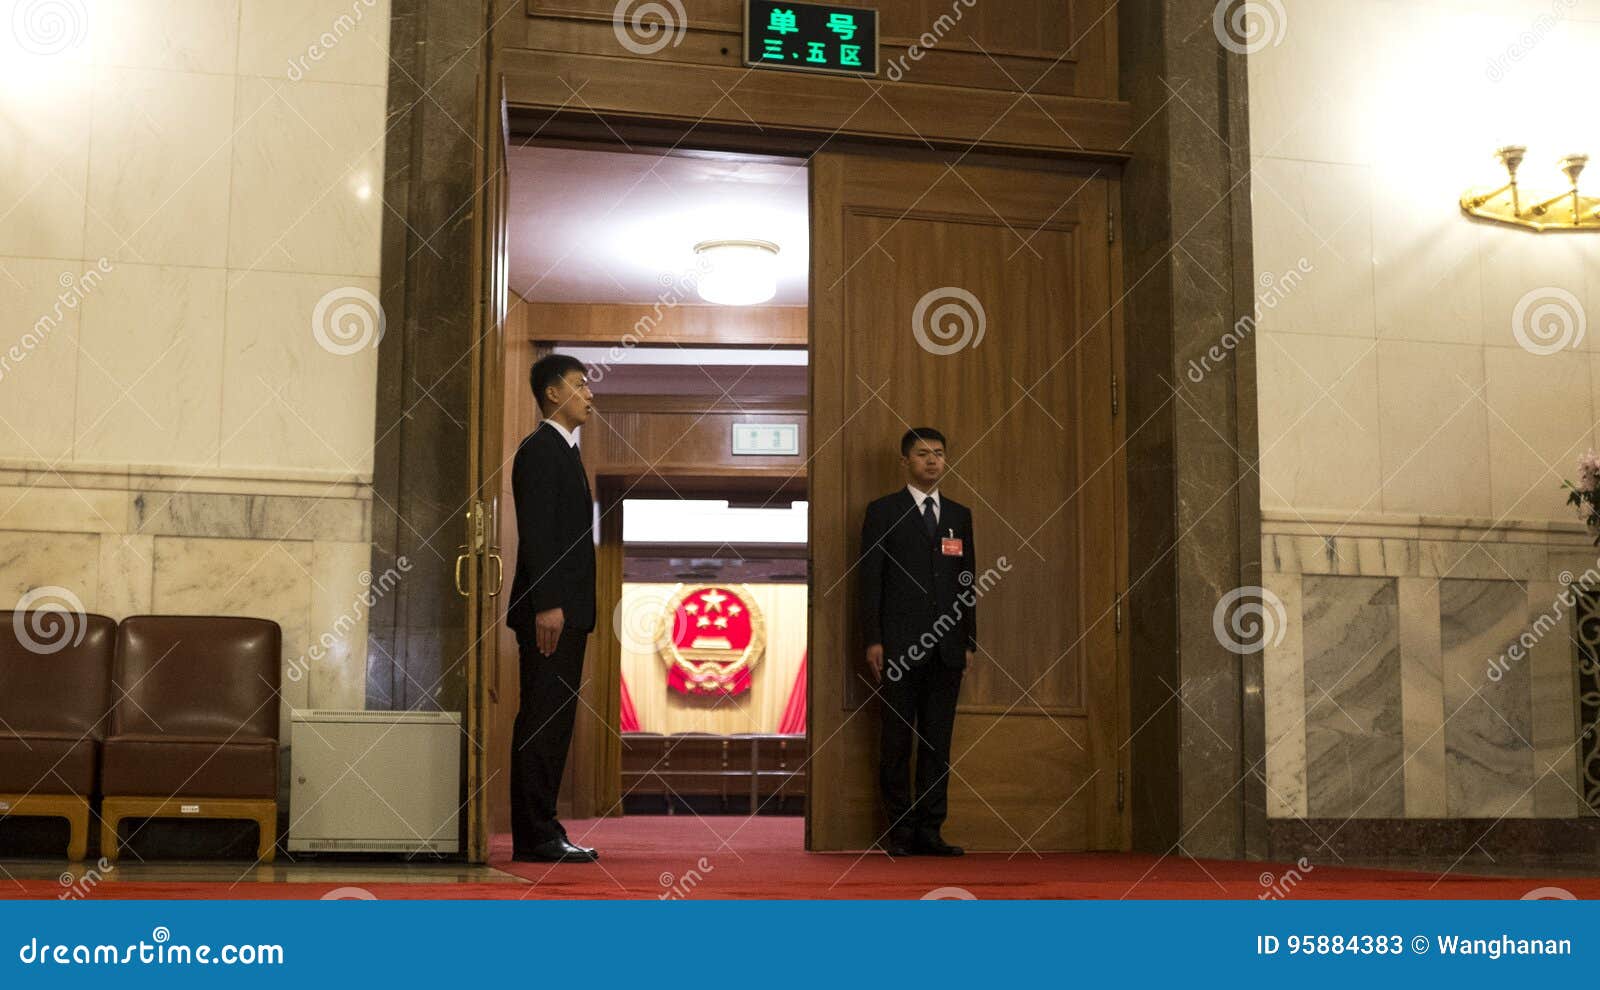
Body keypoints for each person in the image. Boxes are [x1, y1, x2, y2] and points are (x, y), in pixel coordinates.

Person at [858, 427, 975, 857]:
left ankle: (930, 831)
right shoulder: (883, 511)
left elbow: (967, 580)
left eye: (939, 454)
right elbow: (870, 580)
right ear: (905, 461)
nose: (932, 460)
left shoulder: (959, 515)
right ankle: (901, 832)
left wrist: (969, 640)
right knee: (896, 741)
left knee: (936, 744)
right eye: (923, 454)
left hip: (948, 649)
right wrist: (873, 639)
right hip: (898, 647)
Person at [504, 353, 599, 863]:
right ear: (553, 393)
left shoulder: (566, 451)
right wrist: (548, 604)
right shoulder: (540, 449)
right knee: (542, 720)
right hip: (551, 615)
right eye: (580, 385)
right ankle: (536, 835)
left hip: (566, 612)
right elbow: (538, 533)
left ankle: (543, 829)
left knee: (554, 722)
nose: (589, 395)